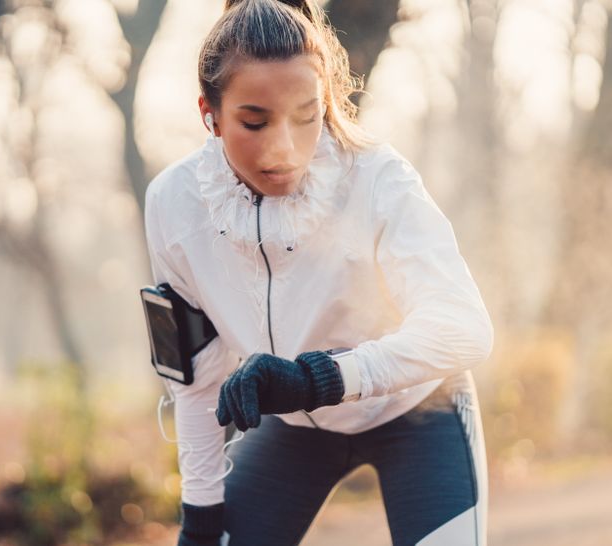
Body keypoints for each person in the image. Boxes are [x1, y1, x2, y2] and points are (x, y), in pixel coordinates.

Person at [143, 1, 494, 544]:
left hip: (420, 411)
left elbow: (464, 328)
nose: (283, 149)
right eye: (254, 122)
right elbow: (195, 378)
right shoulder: (173, 203)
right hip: (296, 430)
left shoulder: (378, 177)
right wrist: (201, 514)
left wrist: (318, 378)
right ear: (209, 112)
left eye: (308, 116)